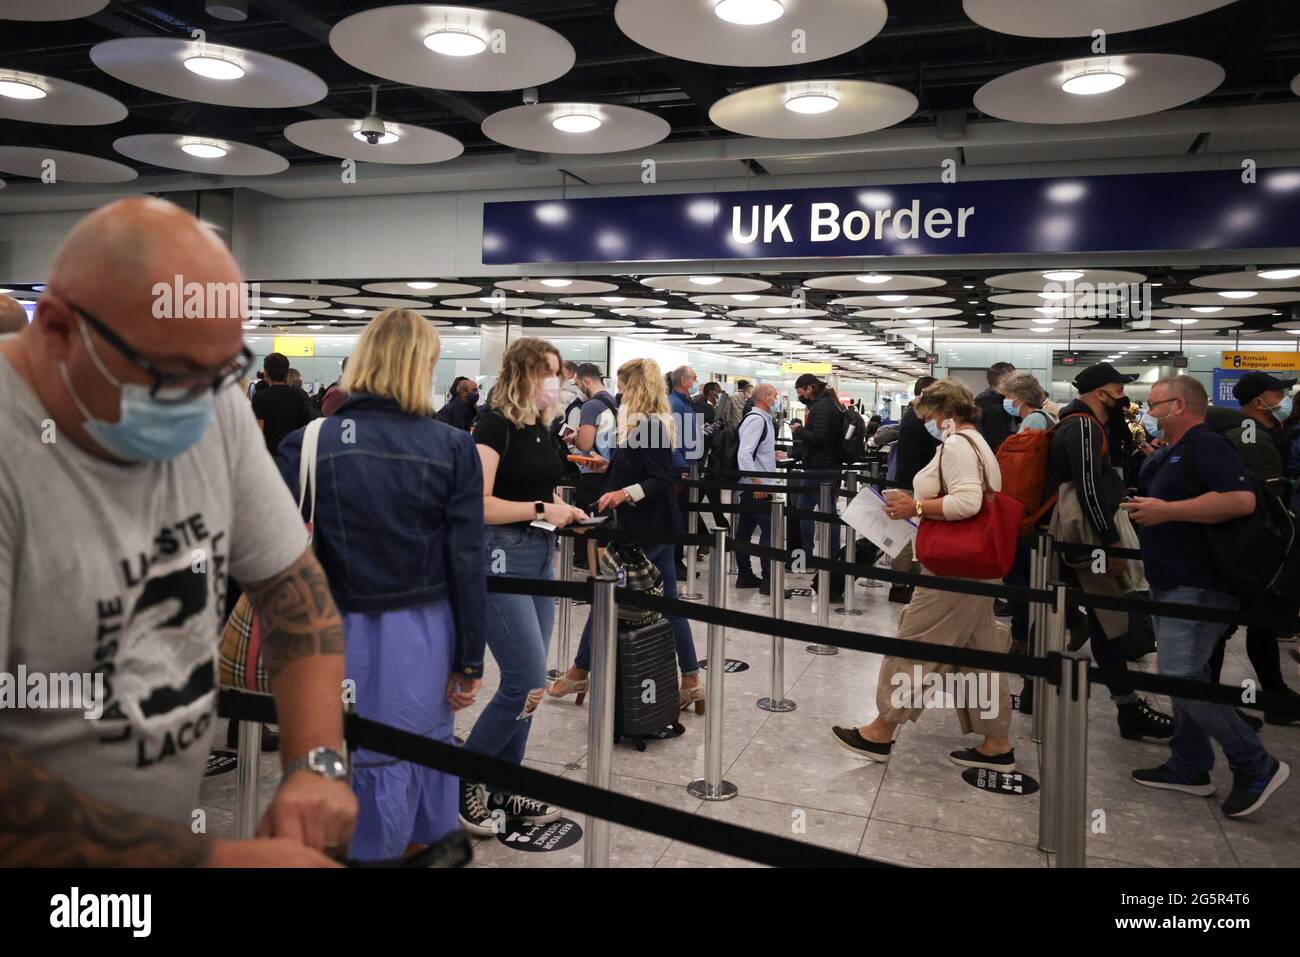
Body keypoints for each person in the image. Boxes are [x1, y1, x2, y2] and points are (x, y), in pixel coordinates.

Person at [0, 196, 355, 866]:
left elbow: (294, 592)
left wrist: (315, 760)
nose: (202, 400)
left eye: (223, 371)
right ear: (57, 329)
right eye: (168, 374)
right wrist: (209, 861)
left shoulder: (210, 399)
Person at [277, 309, 484, 860]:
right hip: (424, 632)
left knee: (351, 763)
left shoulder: (307, 442)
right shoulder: (451, 446)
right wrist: (469, 660)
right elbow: (466, 560)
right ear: (423, 367)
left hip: (328, 632)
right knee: (418, 761)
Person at [1124, 376, 1290, 817]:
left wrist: (1167, 510)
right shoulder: (1176, 450)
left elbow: (1240, 501)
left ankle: (1255, 764)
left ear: (1178, 405)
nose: (1149, 412)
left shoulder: (1209, 444)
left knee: (1178, 677)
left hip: (1199, 583)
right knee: (1188, 677)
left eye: (1154, 405)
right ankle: (1189, 765)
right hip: (1172, 579)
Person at [832, 380, 1015, 770]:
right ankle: (997, 740)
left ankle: (880, 730)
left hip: (954, 569)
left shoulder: (957, 445)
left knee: (915, 644)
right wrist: (917, 504)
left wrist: (915, 507)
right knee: (979, 656)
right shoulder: (977, 442)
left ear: (945, 413)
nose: (928, 424)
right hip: (975, 568)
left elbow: (967, 502)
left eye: (929, 416)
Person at [463, 337, 585, 834]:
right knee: (527, 680)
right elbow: (477, 502)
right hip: (500, 557)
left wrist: (562, 509)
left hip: (539, 555)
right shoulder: (494, 425)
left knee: (530, 686)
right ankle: (463, 778)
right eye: (549, 372)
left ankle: (502, 786)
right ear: (524, 374)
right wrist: (541, 508)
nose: (557, 381)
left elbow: (541, 485)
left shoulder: (541, 426)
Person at [549, 358, 703, 712]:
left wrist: (623, 492)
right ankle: (691, 679)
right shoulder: (644, 423)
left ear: (635, 387)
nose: (617, 392)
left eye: (621, 385)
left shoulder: (649, 424)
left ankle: (580, 671)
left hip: (643, 526)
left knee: (607, 597)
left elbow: (662, 478)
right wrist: (610, 466)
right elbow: (643, 467)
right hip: (653, 526)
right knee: (667, 604)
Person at [1044, 362, 1172, 740]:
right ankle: (1128, 708)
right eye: (1119, 390)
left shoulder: (1083, 425)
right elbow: (1087, 486)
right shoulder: (1083, 427)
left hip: (1082, 532)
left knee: (1101, 618)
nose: (1124, 398)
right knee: (1108, 618)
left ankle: (1121, 705)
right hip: (1088, 535)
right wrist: (1110, 540)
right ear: (1101, 393)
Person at [1201, 371, 1300, 726]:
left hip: (1244, 549)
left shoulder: (1254, 433)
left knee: (1258, 621)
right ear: (1259, 402)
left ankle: (1273, 694)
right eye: (1278, 394)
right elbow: (1262, 502)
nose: (1284, 400)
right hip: (1248, 551)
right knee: (1227, 625)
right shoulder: (1252, 438)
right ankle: (1215, 704)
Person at [789, 373, 844, 601]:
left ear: (809, 388)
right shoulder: (830, 402)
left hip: (820, 468)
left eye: (800, 392)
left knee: (808, 512)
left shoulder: (821, 406)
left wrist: (798, 430)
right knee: (825, 512)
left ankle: (809, 557)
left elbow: (819, 437)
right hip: (828, 466)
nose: (800, 396)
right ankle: (829, 557)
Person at [886, 375, 940, 603]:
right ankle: (900, 586)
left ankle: (910, 583)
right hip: (911, 485)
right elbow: (917, 456)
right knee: (908, 537)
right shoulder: (917, 418)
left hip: (911, 482)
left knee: (912, 536)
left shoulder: (914, 415)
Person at [734, 383, 781, 595]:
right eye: (774, 395)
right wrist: (756, 481)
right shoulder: (756, 420)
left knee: (744, 532)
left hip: (754, 484)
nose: (776, 399)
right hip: (757, 486)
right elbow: (744, 453)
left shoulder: (763, 420)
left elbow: (755, 450)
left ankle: (745, 575)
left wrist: (772, 454)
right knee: (770, 531)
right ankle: (769, 580)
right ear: (764, 397)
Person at [569, 363, 618, 515]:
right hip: (610, 470)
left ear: (586, 381)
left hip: (593, 472)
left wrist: (573, 438)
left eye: (578, 384)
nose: (578, 389)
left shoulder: (591, 405)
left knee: (589, 522)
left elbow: (585, 444)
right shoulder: (613, 402)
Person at [668, 365, 702, 576]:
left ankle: (677, 561)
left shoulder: (685, 403)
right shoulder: (674, 405)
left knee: (683, 515)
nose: (696, 382)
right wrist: (681, 466)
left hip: (689, 465)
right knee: (677, 517)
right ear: (684, 381)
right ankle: (673, 562)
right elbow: (673, 440)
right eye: (694, 378)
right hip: (681, 470)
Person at [252, 352, 316, 463]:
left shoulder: (260, 397)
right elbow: (304, 427)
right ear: (286, 372)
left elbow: (258, 431)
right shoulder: (298, 395)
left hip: (270, 457)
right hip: (293, 455)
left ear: (266, 373)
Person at [975, 361, 1017, 452]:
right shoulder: (994, 408)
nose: (1018, 383)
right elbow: (998, 446)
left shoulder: (985, 400)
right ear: (1004, 382)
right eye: (1015, 380)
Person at [555, 359, 582, 426]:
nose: (557, 375)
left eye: (560, 373)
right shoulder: (579, 391)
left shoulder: (564, 394)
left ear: (570, 373)